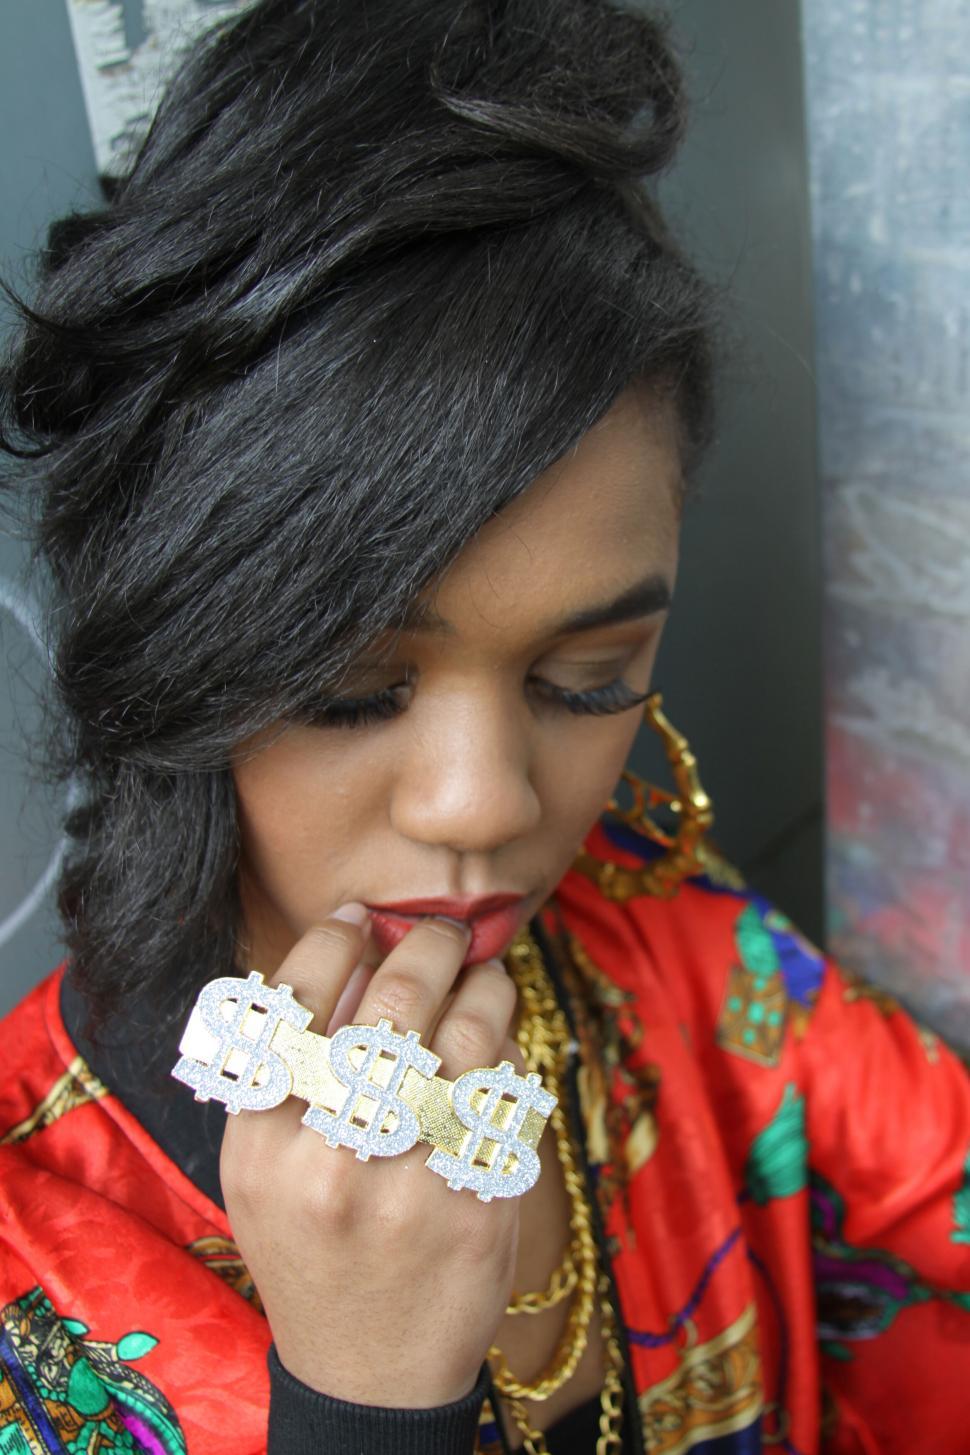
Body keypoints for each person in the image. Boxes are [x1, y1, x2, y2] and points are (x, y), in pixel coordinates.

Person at [0, 2, 968, 1452]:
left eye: (585, 677)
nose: (482, 806)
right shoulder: (40, 1239)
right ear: (184, 653)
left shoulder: (658, 941)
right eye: (346, 686)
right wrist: (364, 1404)